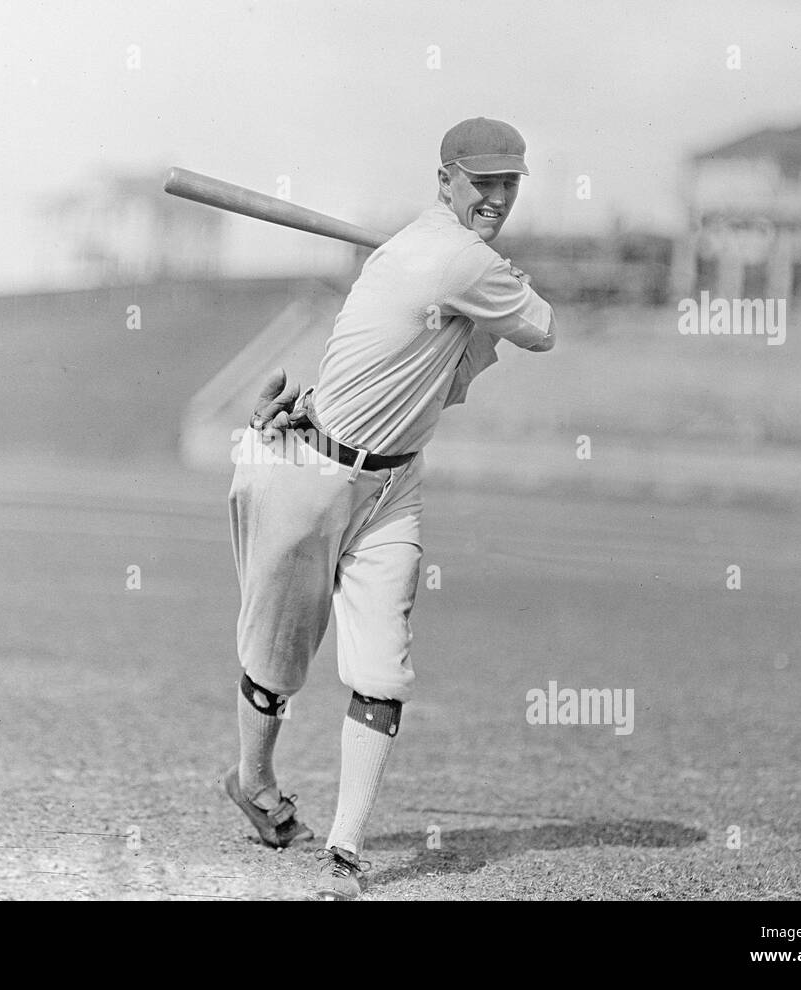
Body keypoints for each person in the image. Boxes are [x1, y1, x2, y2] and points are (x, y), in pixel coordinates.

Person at [223, 117, 556, 900]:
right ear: (446, 182)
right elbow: (541, 328)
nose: (498, 197)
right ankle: (255, 782)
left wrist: (479, 275)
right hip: (306, 472)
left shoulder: (436, 254)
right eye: (483, 183)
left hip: (393, 487)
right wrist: (501, 278)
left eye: (509, 183)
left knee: (383, 670)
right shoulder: (453, 259)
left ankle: (342, 852)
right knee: (275, 666)